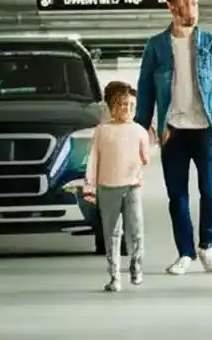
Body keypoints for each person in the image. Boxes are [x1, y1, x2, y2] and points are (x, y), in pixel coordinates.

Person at [135, 0, 212, 275]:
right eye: (186, 2)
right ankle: (185, 252)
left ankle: (207, 245)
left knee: (211, 192)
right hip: (173, 130)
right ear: (171, 6)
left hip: (206, 128)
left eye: (195, 2)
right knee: (177, 195)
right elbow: (145, 90)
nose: (192, 8)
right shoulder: (156, 46)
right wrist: (143, 126)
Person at [83, 81, 151, 292]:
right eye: (123, 104)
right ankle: (114, 276)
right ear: (112, 106)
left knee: (136, 228)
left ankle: (136, 266)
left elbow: (145, 157)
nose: (128, 109)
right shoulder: (102, 132)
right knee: (111, 233)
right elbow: (93, 159)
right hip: (107, 187)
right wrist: (90, 187)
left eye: (131, 105)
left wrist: (139, 166)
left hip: (131, 186)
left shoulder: (139, 131)